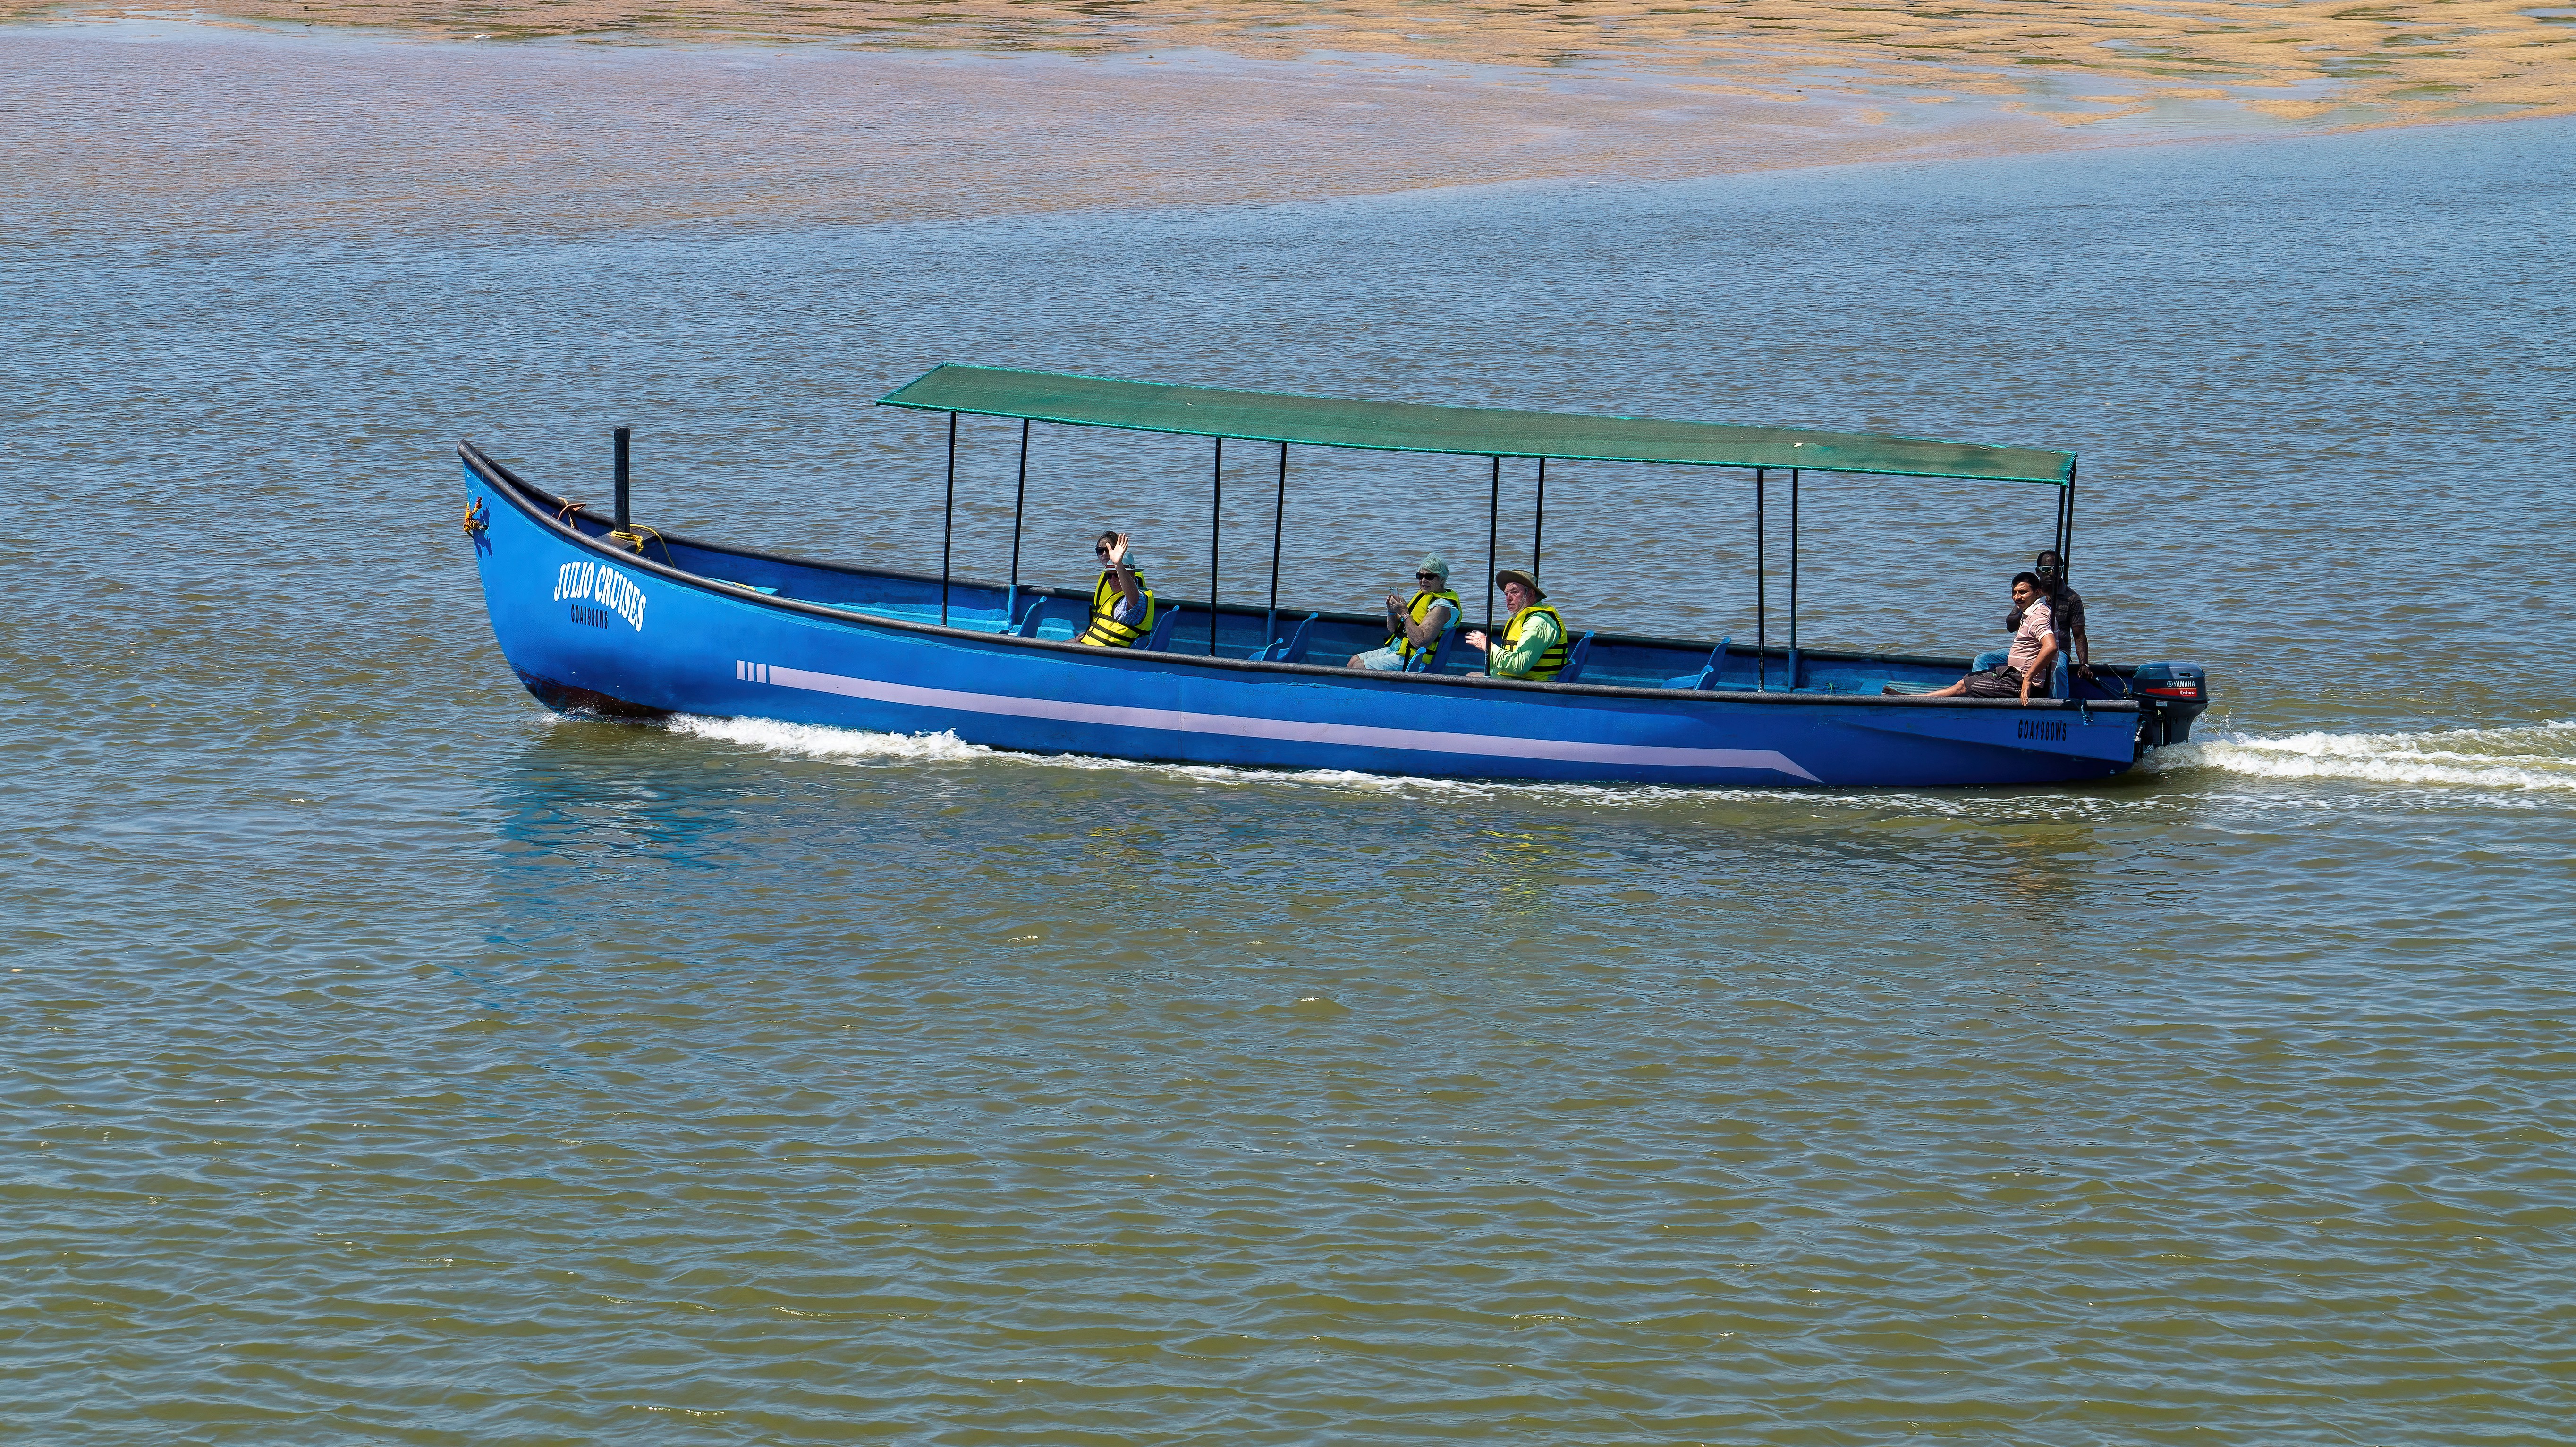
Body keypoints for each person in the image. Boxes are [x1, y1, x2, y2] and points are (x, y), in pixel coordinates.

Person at [1919, 571, 2058, 702]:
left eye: (2023, 592)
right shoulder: (2031, 611)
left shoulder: (2038, 616)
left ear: (2038, 593)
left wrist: (2028, 678)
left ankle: (1916, 700)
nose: (2017, 597)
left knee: (1965, 686)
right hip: (2013, 675)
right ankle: (1917, 698)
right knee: (1969, 679)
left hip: (2024, 684)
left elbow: (2051, 647)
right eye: (2014, 592)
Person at [1346, 554, 1464, 670]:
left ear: (1442, 579)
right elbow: (1393, 630)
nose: (1423, 581)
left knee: (1358, 667)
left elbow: (1420, 642)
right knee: (1353, 661)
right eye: (1420, 576)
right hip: (1398, 649)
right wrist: (1392, 612)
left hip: (1415, 660)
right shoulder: (1425, 595)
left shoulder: (1441, 607)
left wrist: (1404, 612)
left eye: (1429, 577)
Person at [1464, 569, 1569, 681]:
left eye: (1514, 592)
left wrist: (1488, 646)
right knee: (1470, 676)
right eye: (1506, 594)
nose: (1508, 598)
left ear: (1531, 595)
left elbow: (1519, 666)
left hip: (1529, 689)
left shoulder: (1538, 622)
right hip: (1515, 681)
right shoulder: (1524, 617)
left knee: (1465, 683)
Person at [2013, 549, 2091, 673]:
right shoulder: (2029, 594)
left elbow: (2079, 634)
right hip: (2028, 649)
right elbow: (2010, 626)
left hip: (2058, 651)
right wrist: (2025, 608)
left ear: (2061, 571)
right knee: (1983, 659)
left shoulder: (2072, 598)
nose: (2051, 573)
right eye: (2046, 570)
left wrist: (2084, 664)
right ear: (2038, 571)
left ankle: (2061, 694)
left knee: (2059, 670)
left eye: (2056, 569)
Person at [1077, 531, 1156, 647]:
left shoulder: (1135, 599)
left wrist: (1118, 564)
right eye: (1109, 575)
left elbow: (1135, 601)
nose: (1113, 579)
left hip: (1105, 654)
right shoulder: (1116, 592)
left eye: (1117, 575)